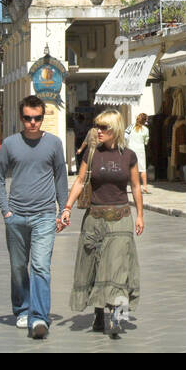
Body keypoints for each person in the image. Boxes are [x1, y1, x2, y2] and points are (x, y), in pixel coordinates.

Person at [61, 109, 143, 339]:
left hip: (120, 218)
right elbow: (79, 181)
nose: (98, 131)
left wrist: (140, 215)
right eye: (97, 126)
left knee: (119, 268)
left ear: (115, 130)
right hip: (95, 218)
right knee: (95, 266)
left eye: (103, 128)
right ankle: (98, 313)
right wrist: (67, 207)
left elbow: (135, 186)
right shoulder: (92, 154)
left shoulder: (129, 155)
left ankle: (117, 317)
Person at [0, 94, 68, 340]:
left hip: (45, 215)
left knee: (40, 266)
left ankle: (39, 318)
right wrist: (5, 210)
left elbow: (60, 176)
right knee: (18, 267)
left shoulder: (55, 144)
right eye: (28, 118)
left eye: (37, 118)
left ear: (42, 117)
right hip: (16, 215)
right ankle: (22, 308)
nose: (32, 123)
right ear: (21, 117)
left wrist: (64, 207)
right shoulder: (10, 144)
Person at [126, 113, 151, 195]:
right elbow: (146, 141)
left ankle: (134, 185)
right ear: (145, 121)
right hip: (140, 150)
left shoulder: (130, 126)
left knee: (132, 168)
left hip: (131, 149)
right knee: (142, 168)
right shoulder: (145, 129)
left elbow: (125, 136)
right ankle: (145, 187)